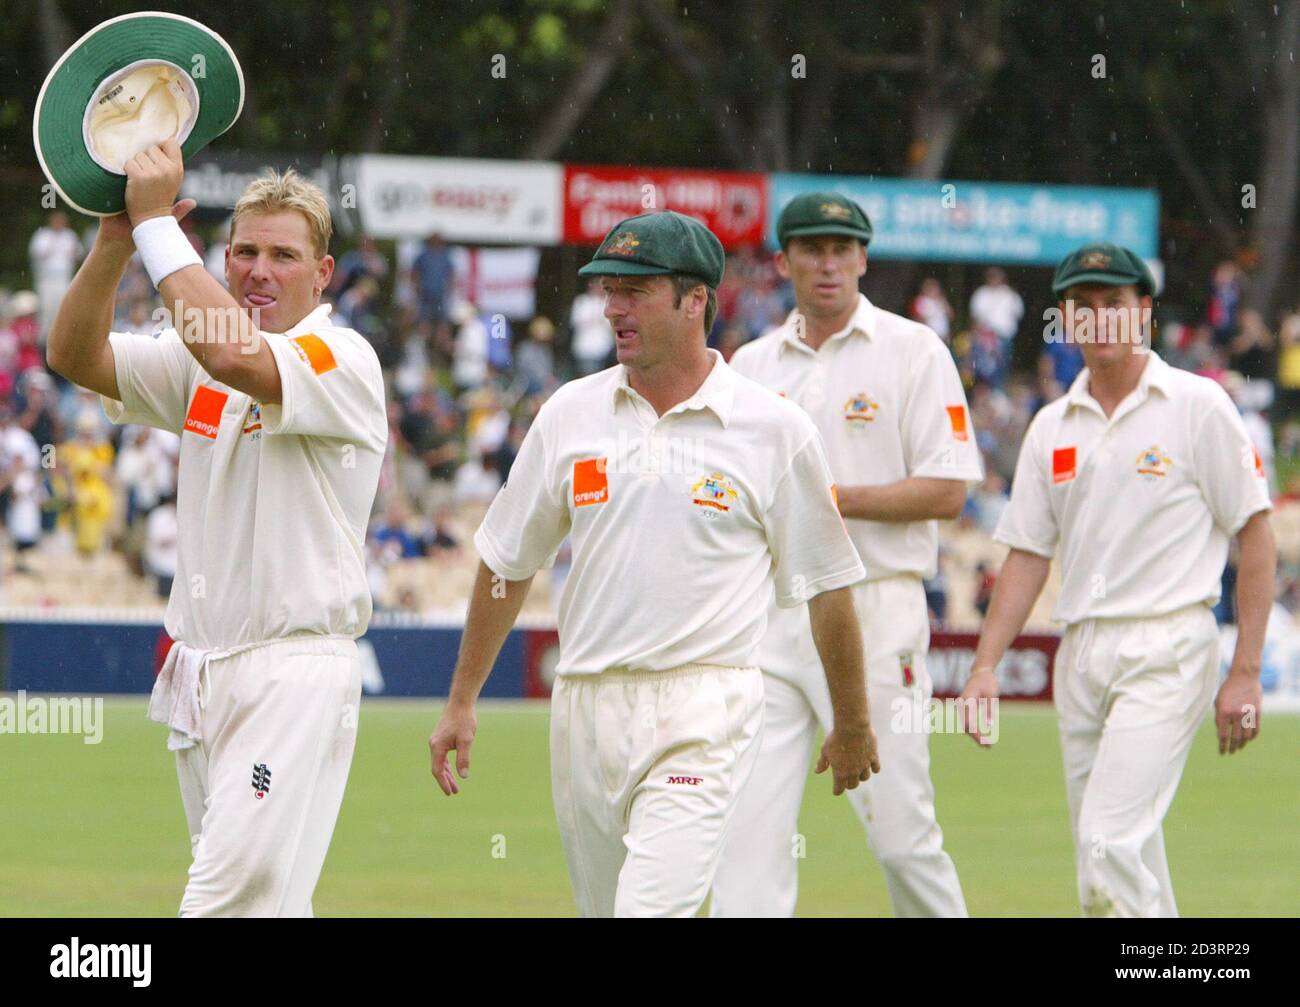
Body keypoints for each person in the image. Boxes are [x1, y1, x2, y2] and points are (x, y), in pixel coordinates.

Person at [427, 210, 880, 918]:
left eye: (635, 290)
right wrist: (461, 699)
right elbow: (506, 565)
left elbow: (826, 588)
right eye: (609, 289)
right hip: (583, 704)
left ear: (694, 299)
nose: (612, 307)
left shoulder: (776, 430)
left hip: (707, 704)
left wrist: (851, 721)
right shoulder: (568, 414)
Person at [47, 139, 387, 917]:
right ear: (224, 258)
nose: (259, 270)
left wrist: (155, 227)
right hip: (204, 674)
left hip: (292, 674)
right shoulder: (200, 357)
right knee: (267, 908)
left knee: (222, 904)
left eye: (283, 255)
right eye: (244, 251)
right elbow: (73, 352)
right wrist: (114, 244)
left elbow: (236, 356)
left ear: (323, 274)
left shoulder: (341, 356)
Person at [959, 243, 1276, 918]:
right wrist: (985, 664)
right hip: (1081, 650)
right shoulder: (1051, 426)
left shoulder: (1198, 405)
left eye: (1115, 303)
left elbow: (1255, 533)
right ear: (1067, 319)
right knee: (1107, 862)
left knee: (1108, 846)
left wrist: (1245, 669)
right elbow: (1026, 554)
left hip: (1168, 644)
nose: (1100, 318)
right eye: (1084, 305)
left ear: (1144, 313)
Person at [711, 192, 981, 918]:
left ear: (863, 258)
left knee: (901, 838)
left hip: (877, 603)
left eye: (841, 249)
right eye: (810, 248)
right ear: (784, 260)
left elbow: (950, 488)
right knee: (744, 844)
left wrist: (830, 499)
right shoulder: (749, 362)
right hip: (771, 612)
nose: (827, 263)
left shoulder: (913, 348)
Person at [28, 210, 84, 339]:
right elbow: (37, 254)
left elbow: (79, 254)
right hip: (47, 280)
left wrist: (73, 252)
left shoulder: (69, 236)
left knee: (63, 307)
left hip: (64, 278)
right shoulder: (43, 235)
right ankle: (44, 338)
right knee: (46, 309)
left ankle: (62, 336)